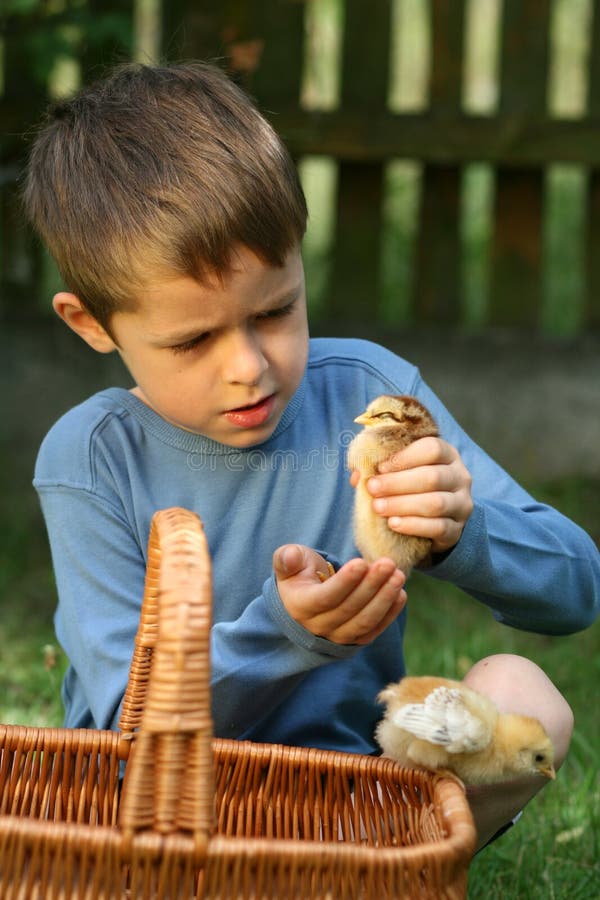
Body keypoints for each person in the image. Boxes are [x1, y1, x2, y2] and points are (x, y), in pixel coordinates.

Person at [24, 62, 599, 851]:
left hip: (346, 799)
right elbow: (134, 715)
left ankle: (391, 864)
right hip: (154, 817)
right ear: (90, 323)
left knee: (525, 696)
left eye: (276, 310)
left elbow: (575, 589)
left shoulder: (370, 397)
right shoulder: (92, 459)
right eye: (192, 340)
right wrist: (286, 633)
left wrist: (463, 533)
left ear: (299, 257)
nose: (249, 367)